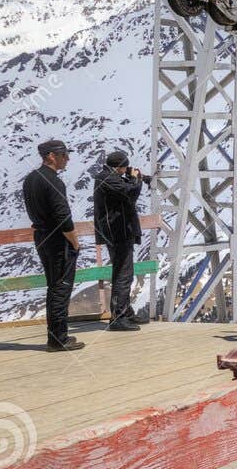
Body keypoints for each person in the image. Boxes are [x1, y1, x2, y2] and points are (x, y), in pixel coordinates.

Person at [21, 138, 82, 351]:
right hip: (57, 241)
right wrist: (75, 242)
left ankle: (57, 336)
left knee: (53, 287)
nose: (67, 158)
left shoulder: (31, 179)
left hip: (41, 236)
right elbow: (64, 218)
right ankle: (58, 340)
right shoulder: (54, 181)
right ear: (51, 156)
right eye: (64, 154)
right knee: (61, 289)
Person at [91, 149, 147, 331]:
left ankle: (125, 312)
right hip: (118, 232)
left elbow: (124, 192)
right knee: (123, 274)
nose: (126, 171)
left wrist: (133, 178)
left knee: (123, 273)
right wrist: (135, 179)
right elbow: (129, 194)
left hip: (116, 231)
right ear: (119, 167)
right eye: (125, 168)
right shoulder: (108, 179)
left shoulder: (106, 177)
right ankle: (118, 317)